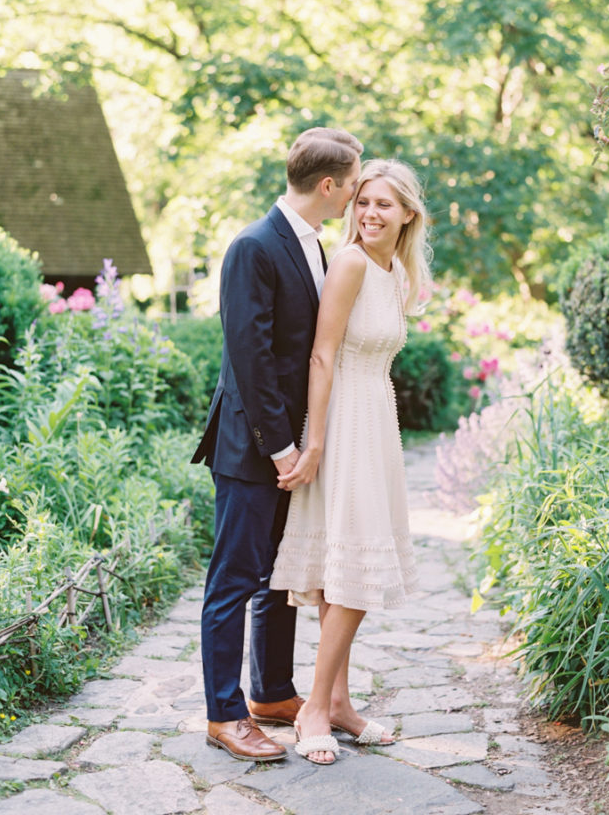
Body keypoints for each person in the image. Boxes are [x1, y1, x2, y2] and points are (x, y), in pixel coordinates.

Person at [191, 127, 363, 762]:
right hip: (252, 447)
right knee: (234, 579)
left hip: (294, 445)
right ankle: (224, 713)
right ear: (328, 185)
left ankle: (271, 693)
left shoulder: (314, 244)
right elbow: (251, 359)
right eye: (351, 184)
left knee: (280, 576)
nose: (354, 195)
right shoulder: (253, 246)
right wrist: (280, 447)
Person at [270, 158, 432, 764]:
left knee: (349, 569)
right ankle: (314, 706)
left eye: (382, 204)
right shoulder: (350, 264)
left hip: (376, 421)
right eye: (362, 201)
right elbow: (322, 355)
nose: (367, 213)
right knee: (353, 574)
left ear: (408, 215)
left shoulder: (394, 274)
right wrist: (313, 444)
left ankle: (337, 703)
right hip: (339, 425)